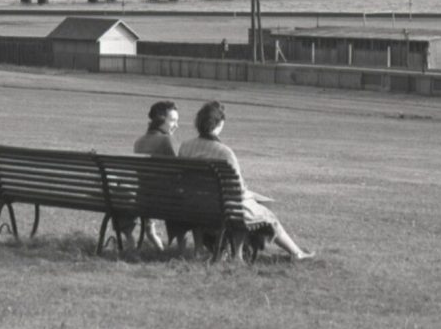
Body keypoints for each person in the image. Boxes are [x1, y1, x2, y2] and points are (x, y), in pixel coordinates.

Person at [178, 100, 312, 261]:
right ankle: (295, 253)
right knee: (266, 213)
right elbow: (238, 190)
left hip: (194, 205)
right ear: (219, 124)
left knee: (242, 205)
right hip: (225, 208)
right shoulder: (224, 152)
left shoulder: (185, 147)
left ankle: (200, 249)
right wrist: (252, 196)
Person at [131, 101, 179, 250]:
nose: (176, 125)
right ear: (160, 119)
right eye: (173, 120)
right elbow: (179, 171)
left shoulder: (139, 141)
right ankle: (181, 248)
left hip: (142, 198)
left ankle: (155, 241)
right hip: (164, 201)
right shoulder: (166, 140)